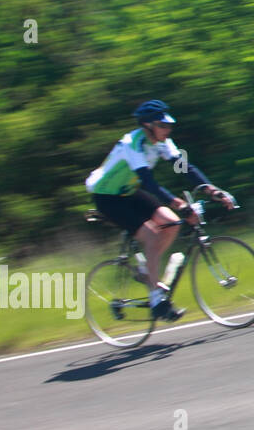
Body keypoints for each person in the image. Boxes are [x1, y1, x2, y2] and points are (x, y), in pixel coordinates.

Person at [85, 99, 234, 320]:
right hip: (108, 197)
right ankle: (156, 299)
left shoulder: (163, 143)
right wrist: (179, 203)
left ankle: (148, 274)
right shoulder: (132, 144)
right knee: (153, 236)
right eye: (163, 126)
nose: (168, 129)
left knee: (172, 223)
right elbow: (149, 183)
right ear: (147, 126)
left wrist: (213, 191)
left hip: (128, 191)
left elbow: (185, 168)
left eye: (169, 126)